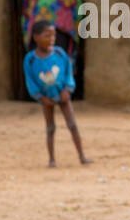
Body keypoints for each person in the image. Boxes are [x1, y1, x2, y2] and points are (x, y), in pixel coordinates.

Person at [23, 20, 91, 167]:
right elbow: (30, 81)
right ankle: (52, 159)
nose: (51, 39)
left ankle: (82, 156)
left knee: (72, 125)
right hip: (46, 98)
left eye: (53, 36)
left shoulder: (60, 53)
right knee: (50, 128)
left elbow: (68, 73)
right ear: (36, 37)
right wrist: (40, 97)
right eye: (47, 36)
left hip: (63, 96)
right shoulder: (30, 59)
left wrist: (67, 89)